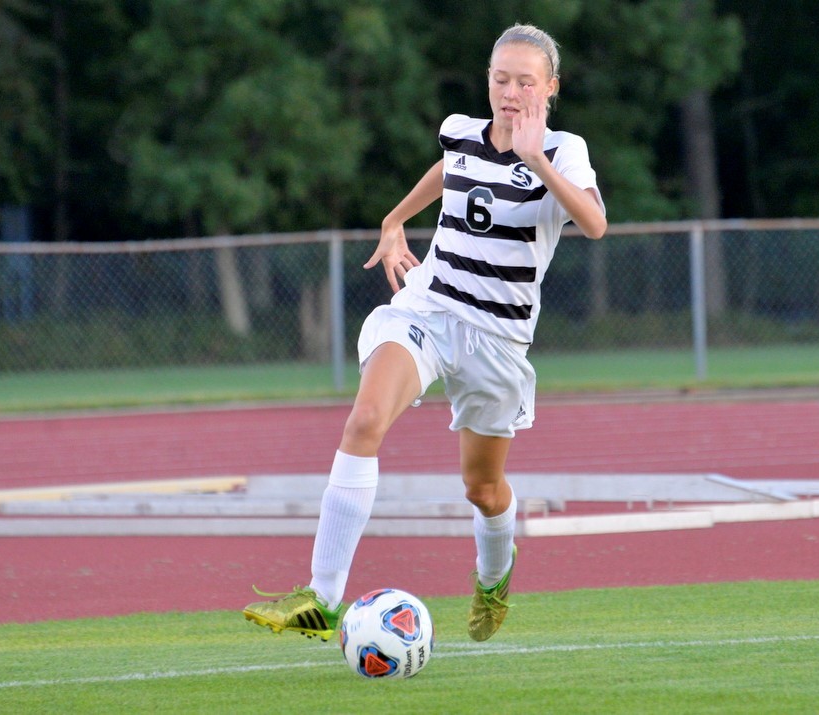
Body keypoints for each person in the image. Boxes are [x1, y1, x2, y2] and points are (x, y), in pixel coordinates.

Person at [243, 22, 606, 643]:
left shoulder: (564, 150)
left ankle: (494, 579)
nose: (510, 92)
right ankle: (323, 598)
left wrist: (536, 160)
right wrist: (393, 220)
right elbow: (448, 171)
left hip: (497, 340)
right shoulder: (461, 132)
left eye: (525, 81)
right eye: (500, 79)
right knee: (363, 422)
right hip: (428, 311)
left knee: (483, 488)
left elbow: (595, 224)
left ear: (551, 86)